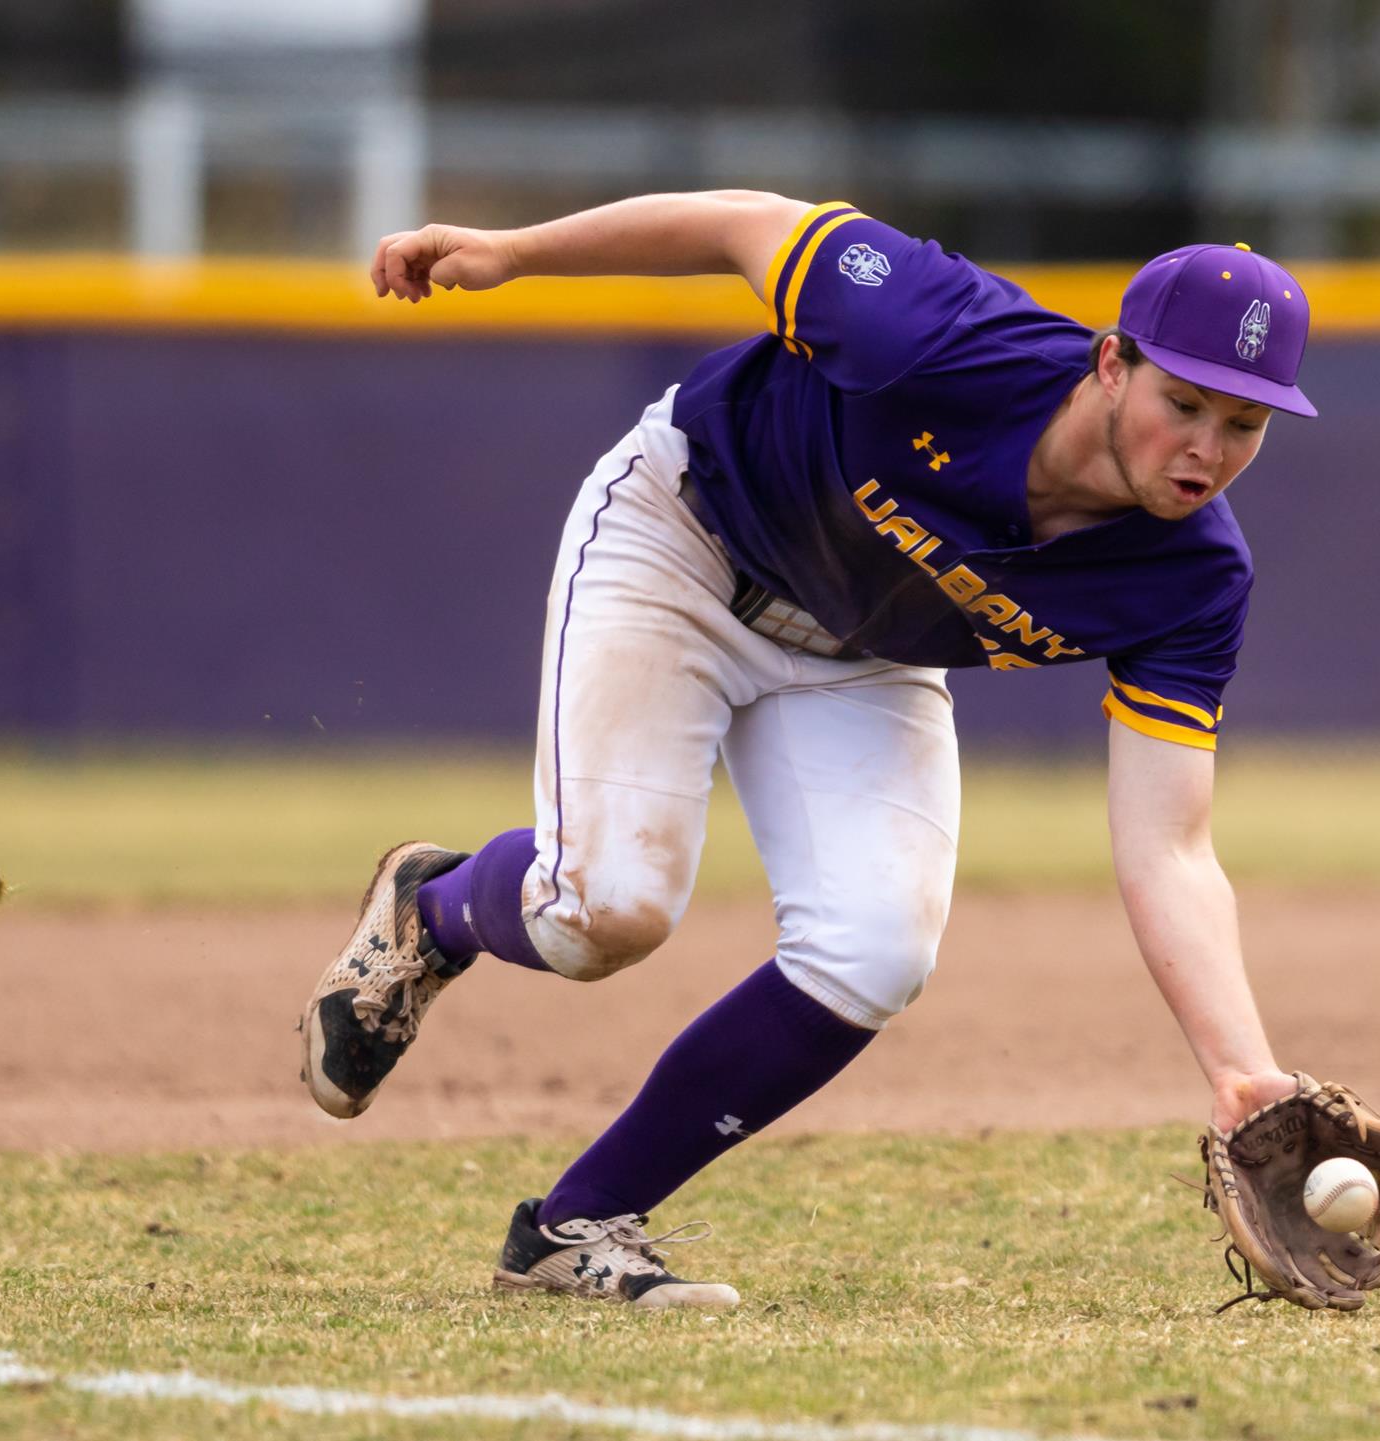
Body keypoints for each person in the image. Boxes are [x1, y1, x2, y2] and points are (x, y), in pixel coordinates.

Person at [299, 191, 1314, 1309]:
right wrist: (513, 253)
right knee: (602, 914)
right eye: (1185, 403)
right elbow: (741, 222)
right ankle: (431, 908)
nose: (1206, 451)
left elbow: (1168, 846)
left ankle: (574, 1227)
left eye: (1245, 426)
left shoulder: (1192, 579)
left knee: (874, 952)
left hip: (861, 655)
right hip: (684, 540)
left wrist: (1238, 1071)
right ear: (1111, 363)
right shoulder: (939, 331)